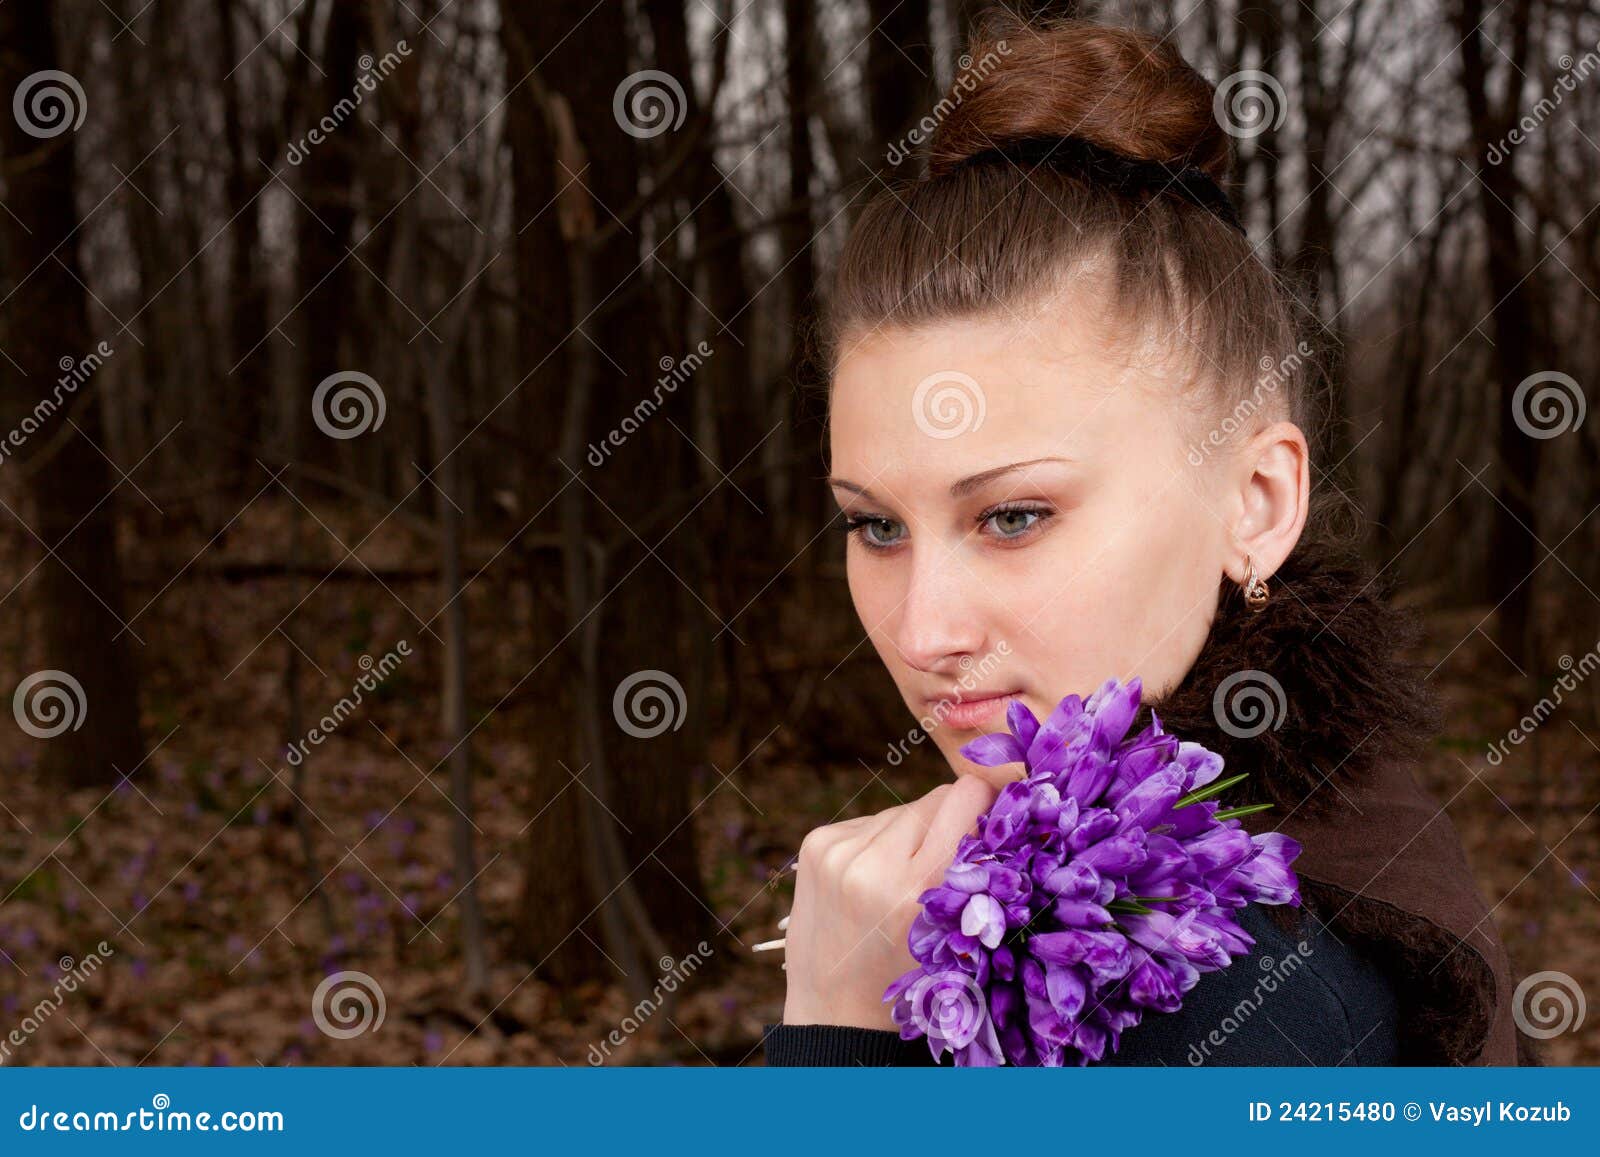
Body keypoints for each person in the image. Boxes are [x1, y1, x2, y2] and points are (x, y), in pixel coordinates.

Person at [761, 14, 1528, 1067]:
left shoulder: (1220, 989)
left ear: (1256, 502)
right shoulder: (1332, 815)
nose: (922, 628)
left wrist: (837, 1028)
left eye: (1013, 516)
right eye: (877, 524)